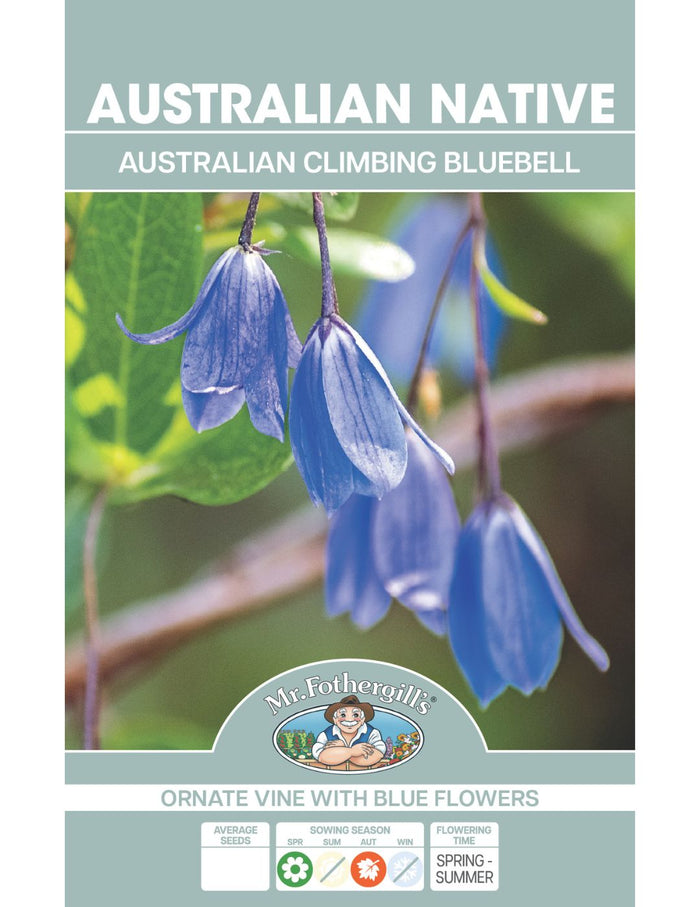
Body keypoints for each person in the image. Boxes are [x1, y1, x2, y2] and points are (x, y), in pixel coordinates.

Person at [312, 696, 386, 768]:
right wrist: (353, 751)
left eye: (355, 715)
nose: (349, 720)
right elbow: (322, 757)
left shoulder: (372, 733)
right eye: (343, 715)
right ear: (335, 719)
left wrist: (339, 752)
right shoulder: (325, 735)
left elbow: (377, 755)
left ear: (363, 719)